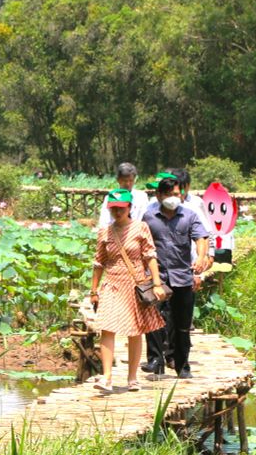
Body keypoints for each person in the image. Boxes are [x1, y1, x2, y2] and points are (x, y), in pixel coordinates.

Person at [89, 189, 166, 392]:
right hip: (112, 283)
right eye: (113, 209)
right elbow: (99, 263)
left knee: (135, 330)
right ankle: (106, 377)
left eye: (121, 208)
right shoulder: (104, 232)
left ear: (129, 208)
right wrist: (93, 290)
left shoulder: (141, 228)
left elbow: (150, 256)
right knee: (107, 327)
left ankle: (132, 377)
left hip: (134, 283)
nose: (117, 212)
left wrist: (157, 283)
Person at [142, 175, 209, 378]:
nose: (174, 198)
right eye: (169, 195)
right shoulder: (148, 218)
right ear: (159, 195)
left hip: (182, 276)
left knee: (182, 324)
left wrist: (201, 256)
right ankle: (155, 360)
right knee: (153, 319)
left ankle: (182, 364)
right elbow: (142, 246)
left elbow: (201, 238)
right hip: (157, 277)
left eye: (177, 194)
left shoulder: (189, 216)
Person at [98, 162, 149, 227]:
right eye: (125, 181)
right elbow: (104, 221)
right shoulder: (111, 198)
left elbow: (145, 218)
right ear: (118, 180)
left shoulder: (142, 197)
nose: (128, 184)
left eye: (131, 180)